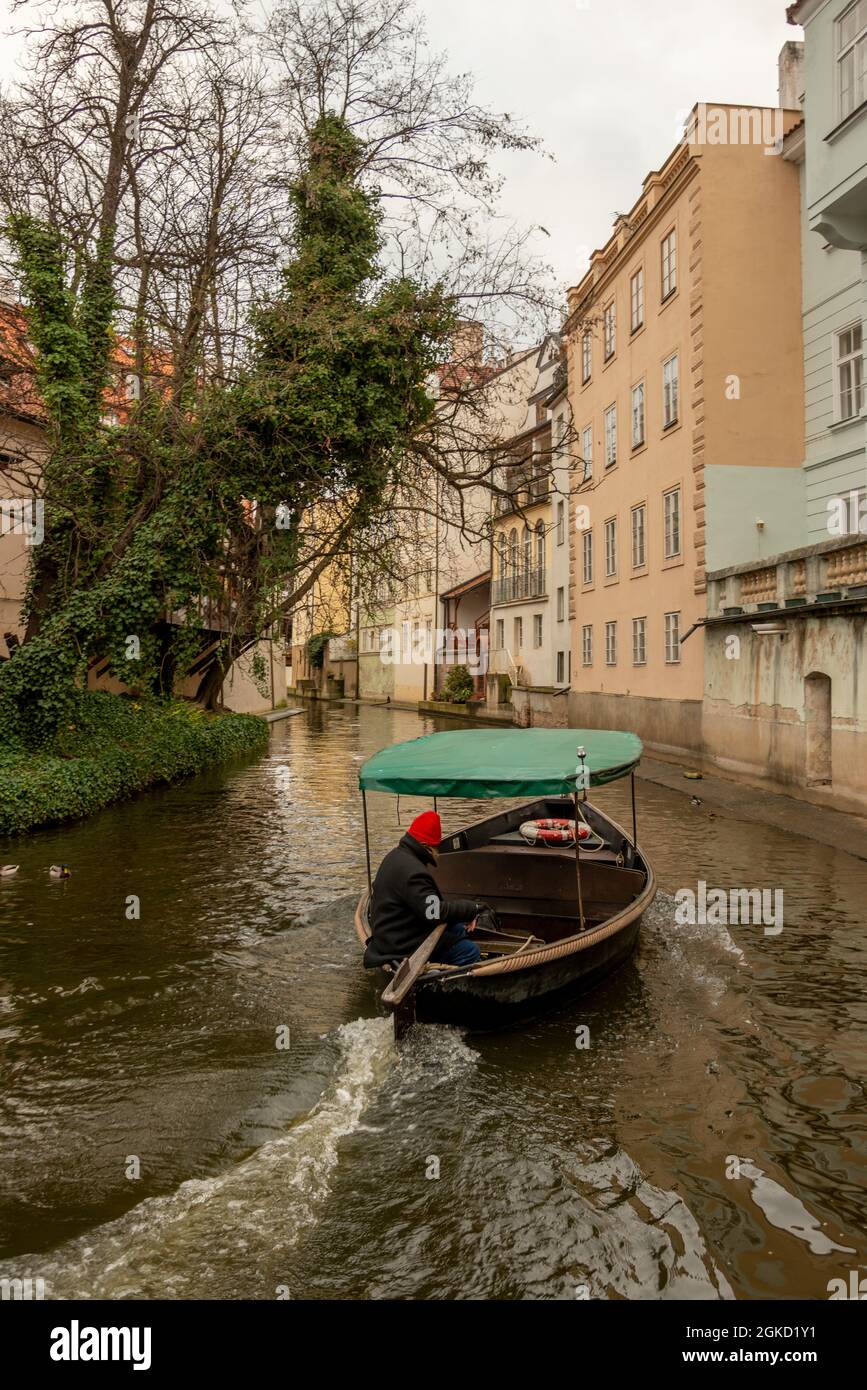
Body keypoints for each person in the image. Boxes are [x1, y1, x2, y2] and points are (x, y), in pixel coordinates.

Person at [363, 810, 486, 969]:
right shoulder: (414, 873)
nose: (438, 854)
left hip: (392, 933)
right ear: (426, 847)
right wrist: (471, 909)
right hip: (400, 945)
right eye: (436, 848)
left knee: (458, 929)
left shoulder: (395, 856)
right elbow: (434, 912)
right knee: (470, 951)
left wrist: (464, 913)